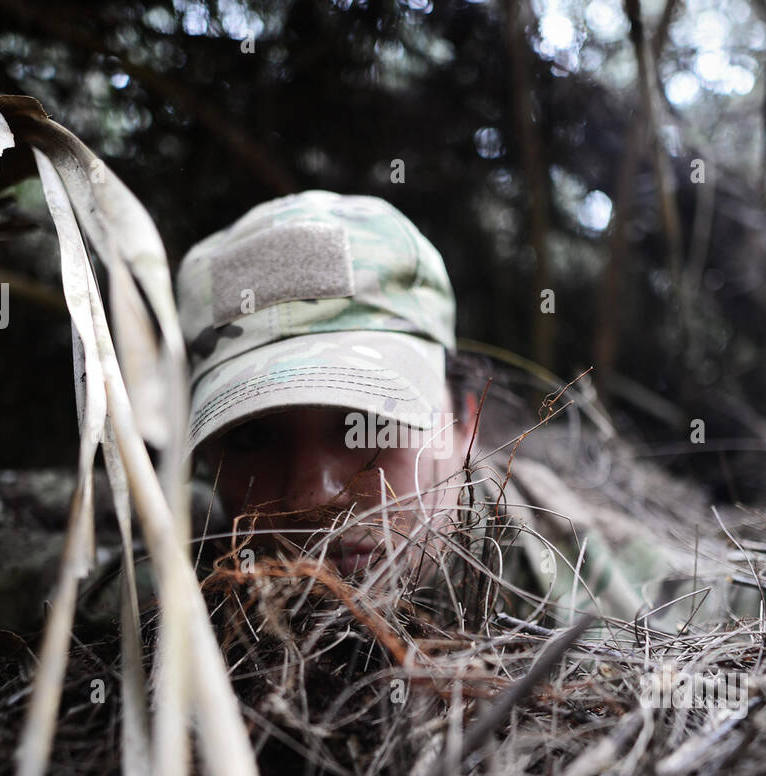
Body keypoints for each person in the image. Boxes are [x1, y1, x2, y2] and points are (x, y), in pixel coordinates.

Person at [176, 190, 678, 631]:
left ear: (464, 420)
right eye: (249, 438)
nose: (312, 491)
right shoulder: (163, 571)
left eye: (366, 421)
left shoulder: (627, 592)